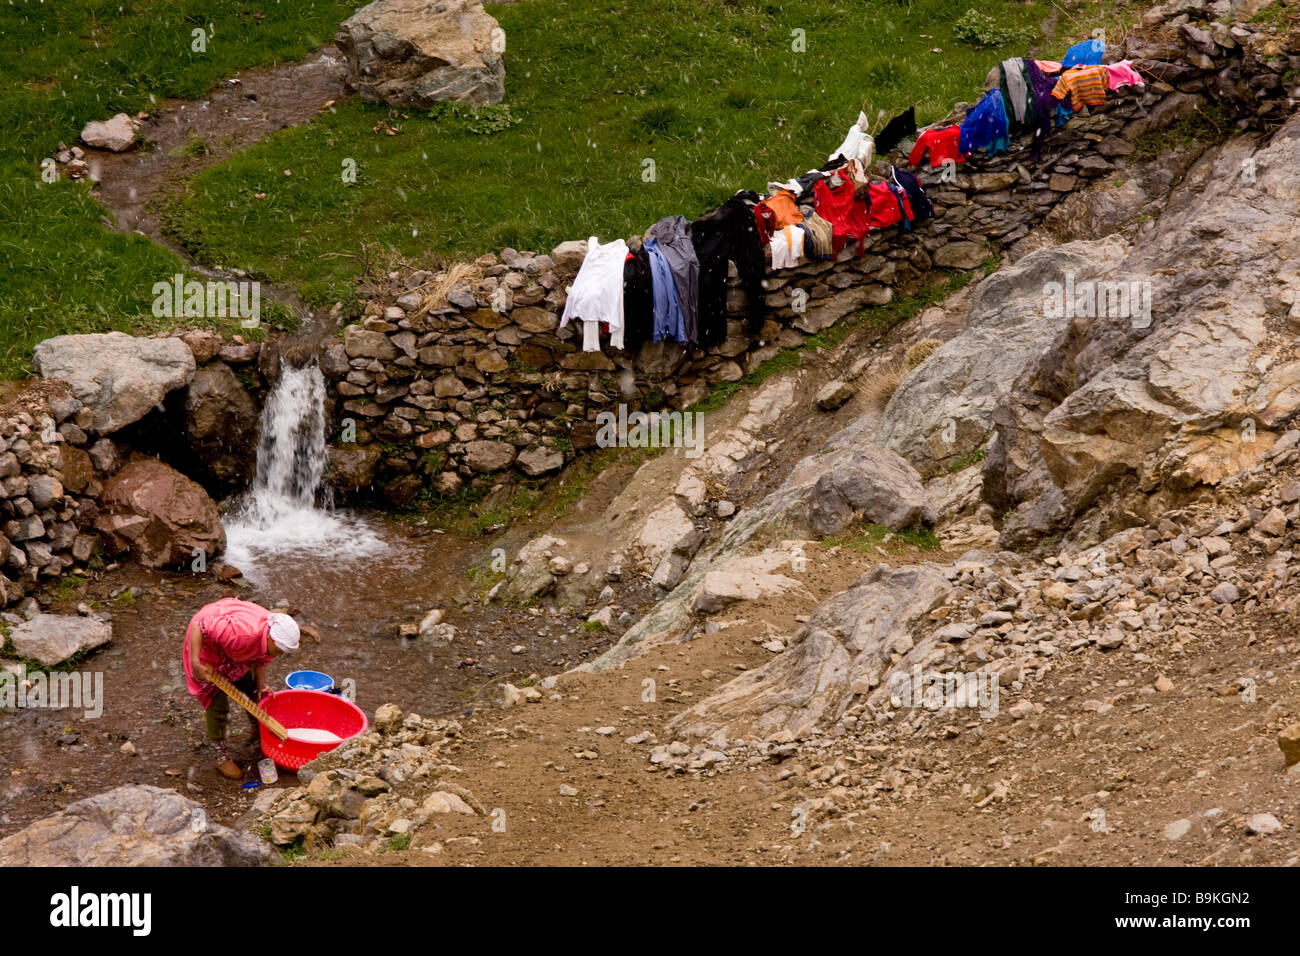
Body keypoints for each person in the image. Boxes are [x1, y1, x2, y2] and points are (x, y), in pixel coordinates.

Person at [182, 598, 310, 780]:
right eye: (280, 649)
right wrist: (195, 662)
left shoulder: (268, 640)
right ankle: (220, 755)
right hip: (206, 646)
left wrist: (262, 685)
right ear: (270, 637)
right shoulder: (241, 635)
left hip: (234, 649)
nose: (280, 655)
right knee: (217, 703)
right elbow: (198, 626)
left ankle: (258, 730)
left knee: (250, 689)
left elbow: (261, 659)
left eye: (284, 652)